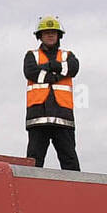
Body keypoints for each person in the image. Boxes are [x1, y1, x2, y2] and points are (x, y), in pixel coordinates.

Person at [23, 16, 80, 170]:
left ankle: (75, 193)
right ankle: (31, 193)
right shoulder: (31, 55)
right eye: (46, 32)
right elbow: (31, 72)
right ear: (40, 36)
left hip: (63, 118)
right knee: (33, 163)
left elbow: (73, 68)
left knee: (70, 162)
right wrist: (57, 74)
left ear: (59, 35)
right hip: (38, 118)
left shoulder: (68, 55)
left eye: (53, 32)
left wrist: (48, 67)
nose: (50, 35)